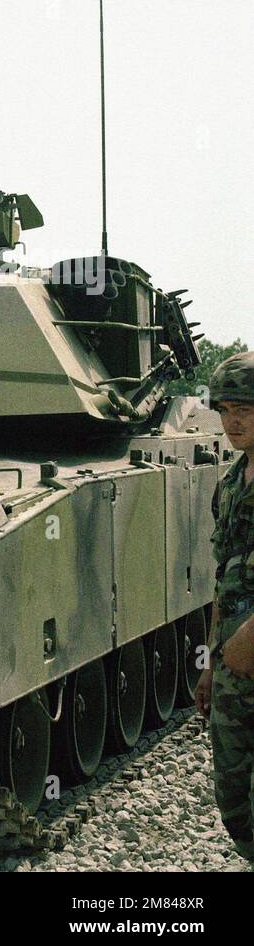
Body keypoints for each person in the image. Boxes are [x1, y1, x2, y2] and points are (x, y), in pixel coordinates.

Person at [196, 351, 254, 865]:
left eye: (247, 410)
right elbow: (225, 575)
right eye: (226, 409)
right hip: (235, 661)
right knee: (235, 798)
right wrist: (213, 663)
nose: (233, 421)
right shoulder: (232, 483)